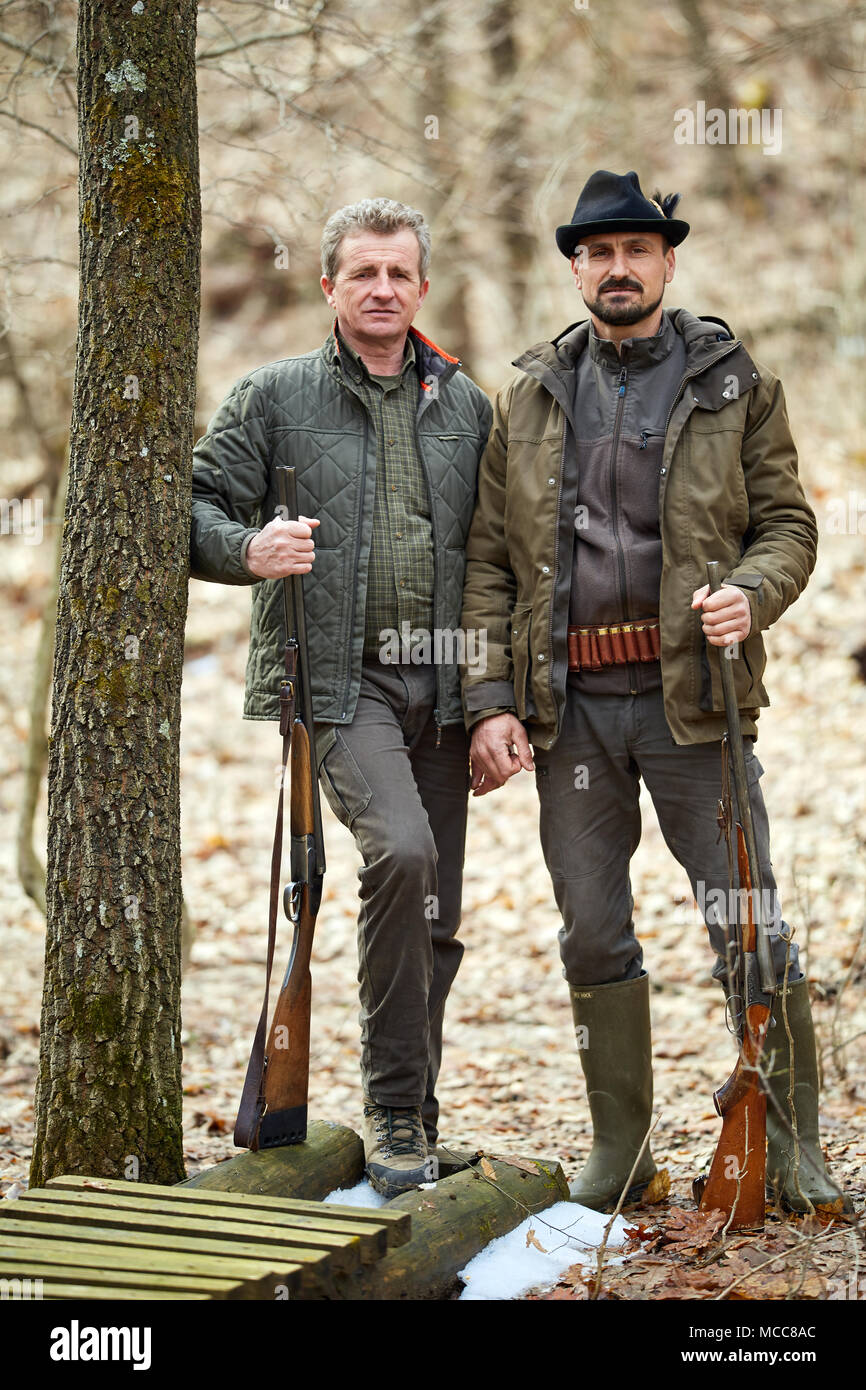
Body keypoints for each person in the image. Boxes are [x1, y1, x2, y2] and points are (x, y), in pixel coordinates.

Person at [461, 169, 851, 1214]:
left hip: (694, 702)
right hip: (572, 707)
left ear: (667, 261)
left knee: (744, 919)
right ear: (575, 267)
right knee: (590, 929)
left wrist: (751, 594)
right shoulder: (531, 395)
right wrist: (491, 697)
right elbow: (490, 563)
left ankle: (793, 1145)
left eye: (636, 249)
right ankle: (619, 1152)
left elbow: (787, 524)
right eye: (597, 252)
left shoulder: (731, 380)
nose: (617, 267)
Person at [189, 197, 491, 1195]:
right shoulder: (271, 399)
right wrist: (247, 548)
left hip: (442, 685)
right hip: (335, 684)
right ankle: (390, 1110)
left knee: (433, 905)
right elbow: (187, 506)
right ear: (327, 285)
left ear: (422, 288)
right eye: (361, 272)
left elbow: (499, 563)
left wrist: (496, 704)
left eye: (398, 273)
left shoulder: (466, 406)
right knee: (400, 851)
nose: (381, 289)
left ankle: (417, 1111)